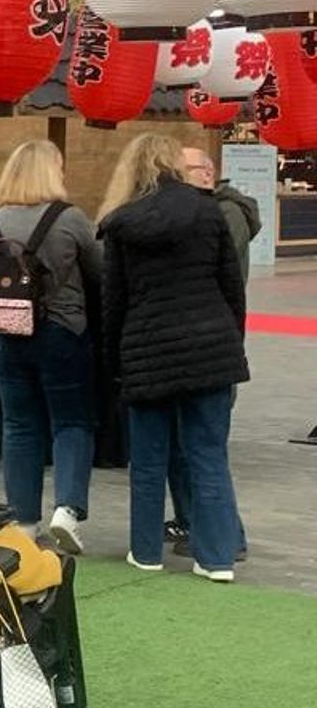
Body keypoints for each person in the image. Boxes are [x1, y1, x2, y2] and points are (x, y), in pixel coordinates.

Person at [99, 134, 248, 582]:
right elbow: (231, 286)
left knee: (148, 461)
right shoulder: (209, 211)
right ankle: (216, 557)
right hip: (210, 348)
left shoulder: (121, 223)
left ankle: (146, 551)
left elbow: (114, 301)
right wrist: (230, 342)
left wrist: (114, 362)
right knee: (208, 456)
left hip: (147, 351)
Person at [0, 141, 102, 554]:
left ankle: (23, 520)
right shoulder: (69, 218)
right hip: (61, 330)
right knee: (71, 422)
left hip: (6, 333)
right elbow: (99, 270)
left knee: (19, 426)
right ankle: (67, 510)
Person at [174, 146, 258, 560]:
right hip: (209, 340)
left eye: (182, 170)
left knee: (205, 448)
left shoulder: (225, 216)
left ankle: (227, 537)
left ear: (206, 173)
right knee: (195, 447)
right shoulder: (218, 211)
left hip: (212, 343)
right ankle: (199, 526)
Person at [182, 147, 261, 283]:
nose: (176, 179)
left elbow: (220, 260)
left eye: (183, 171)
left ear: (207, 174)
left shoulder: (229, 212)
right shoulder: (192, 207)